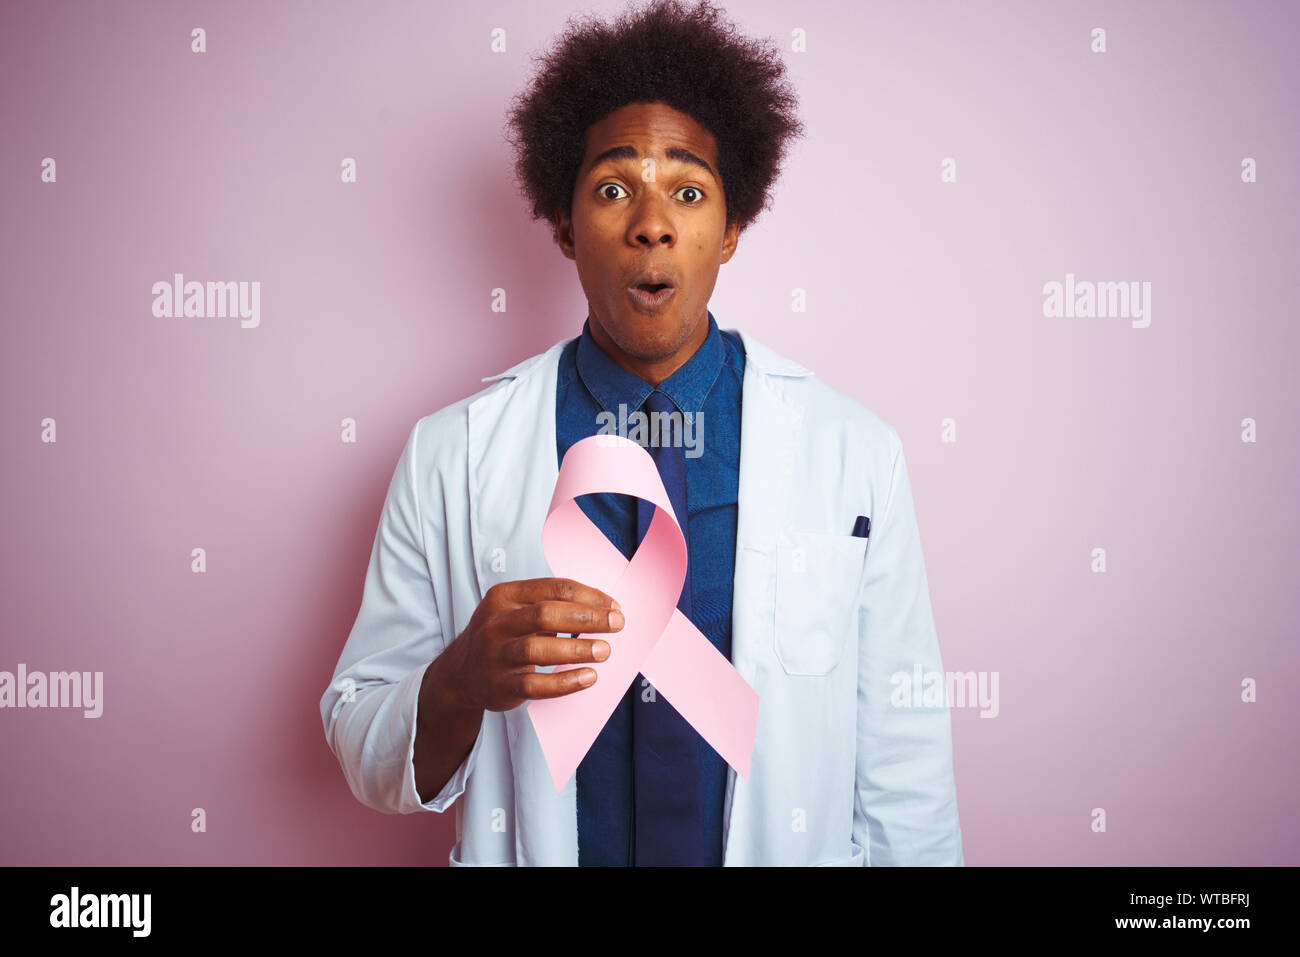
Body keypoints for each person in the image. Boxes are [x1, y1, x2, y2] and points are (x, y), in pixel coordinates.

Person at [320, 0, 963, 866]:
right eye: (614, 188)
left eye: (689, 191)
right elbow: (363, 744)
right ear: (562, 224)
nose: (651, 222)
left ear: (731, 229)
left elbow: (905, 777)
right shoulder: (452, 455)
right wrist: (461, 675)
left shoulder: (854, 454)